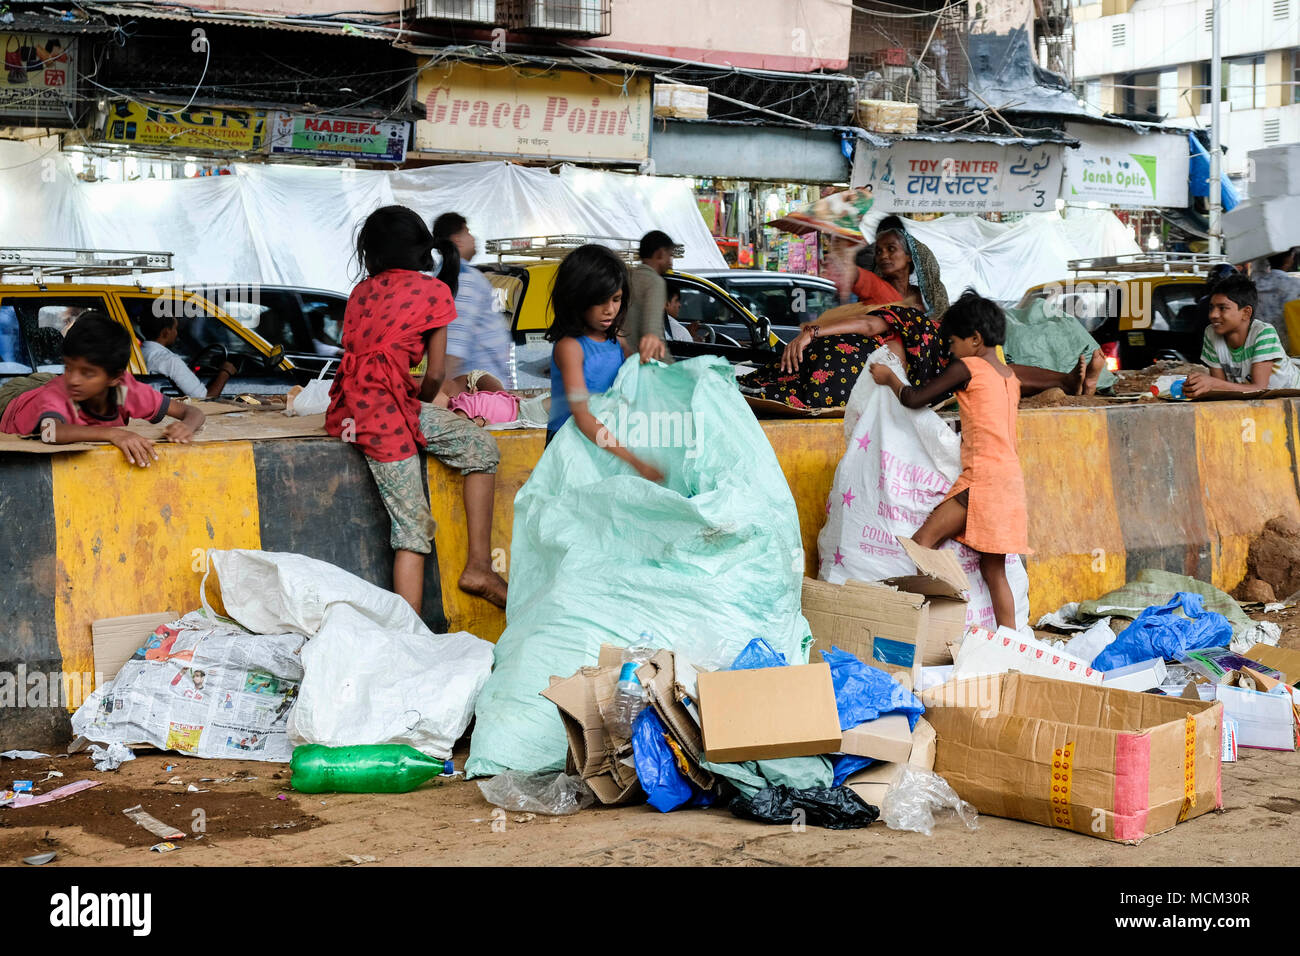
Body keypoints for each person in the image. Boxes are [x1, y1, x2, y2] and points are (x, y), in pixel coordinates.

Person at [326, 205, 508, 613]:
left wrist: (413, 407)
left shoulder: (360, 293)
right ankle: (414, 630)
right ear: (422, 251)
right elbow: (436, 374)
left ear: (371, 254)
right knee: (473, 460)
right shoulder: (436, 293)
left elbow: (365, 361)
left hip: (358, 410)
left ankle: (478, 570)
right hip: (388, 413)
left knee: (467, 458)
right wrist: (426, 403)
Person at [870, 291, 1029, 629]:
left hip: (981, 482)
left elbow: (915, 399)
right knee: (993, 570)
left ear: (974, 339)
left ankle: (935, 627)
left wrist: (889, 378)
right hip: (1010, 483)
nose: (950, 350)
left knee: (922, 544)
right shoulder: (1009, 378)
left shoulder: (968, 367)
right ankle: (1011, 643)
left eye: (953, 342)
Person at [0, 311, 205, 466]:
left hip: (42, 390)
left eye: (87, 373)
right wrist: (112, 434)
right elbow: (50, 432)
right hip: (12, 402)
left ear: (115, 378)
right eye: (69, 368)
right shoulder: (62, 392)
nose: (74, 380)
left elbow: (192, 411)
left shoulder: (124, 392)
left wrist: (187, 426)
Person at [546, 244, 663, 482]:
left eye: (617, 299)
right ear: (576, 299)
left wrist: (652, 346)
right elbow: (583, 417)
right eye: (600, 301)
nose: (610, 310)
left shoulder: (617, 340)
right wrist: (634, 461)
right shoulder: (569, 348)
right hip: (570, 451)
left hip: (606, 446)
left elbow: (639, 374)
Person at [1183, 274, 1300, 397]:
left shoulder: (1263, 333)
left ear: (1246, 312)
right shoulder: (1211, 333)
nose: (1213, 315)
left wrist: (1212, 384)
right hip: (1257, 401)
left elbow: (1259, 389)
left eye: (1222, 308)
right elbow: (1221, 389)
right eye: (1211, 308)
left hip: (1293, 399)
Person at [431, 212, 512, 386]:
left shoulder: (442, 276)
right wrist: (440, 397)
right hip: (477, 392)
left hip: (476, 386)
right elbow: (453, 345)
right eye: (467, 232)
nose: (473, 238)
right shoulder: (462, 278)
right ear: (457, 240)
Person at [139, 311, 238, 399]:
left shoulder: (138, 353)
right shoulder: (170, 361)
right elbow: (204, 399)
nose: (176, 333)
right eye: (175, 328)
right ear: (165, 332)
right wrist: (225, 372)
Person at [623, 230, 675, 364]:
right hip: (641, 364)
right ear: (660, 254)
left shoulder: (627, 277)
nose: (671, 263)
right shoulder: (655, 282)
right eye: (670, 256)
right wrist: (674, 371)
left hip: (622, 358)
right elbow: (653, 333)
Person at [1253, 248, 1300, 354]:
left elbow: (1257, 267)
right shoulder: (1295, 286)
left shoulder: (1256, 283)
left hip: (1259, 349)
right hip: (1287, 350)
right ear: (1289, 259)